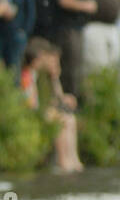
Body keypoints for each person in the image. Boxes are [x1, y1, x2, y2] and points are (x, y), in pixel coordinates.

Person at [21, 39, 85, 171]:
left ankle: (73, 160)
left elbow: (57, 98)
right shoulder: (28, 75)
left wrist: (55, 78)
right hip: (33, 114)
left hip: (42, 111)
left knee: (70, 120)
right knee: (62, 121)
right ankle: (64, 161)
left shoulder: (44, 76)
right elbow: (33, 102)